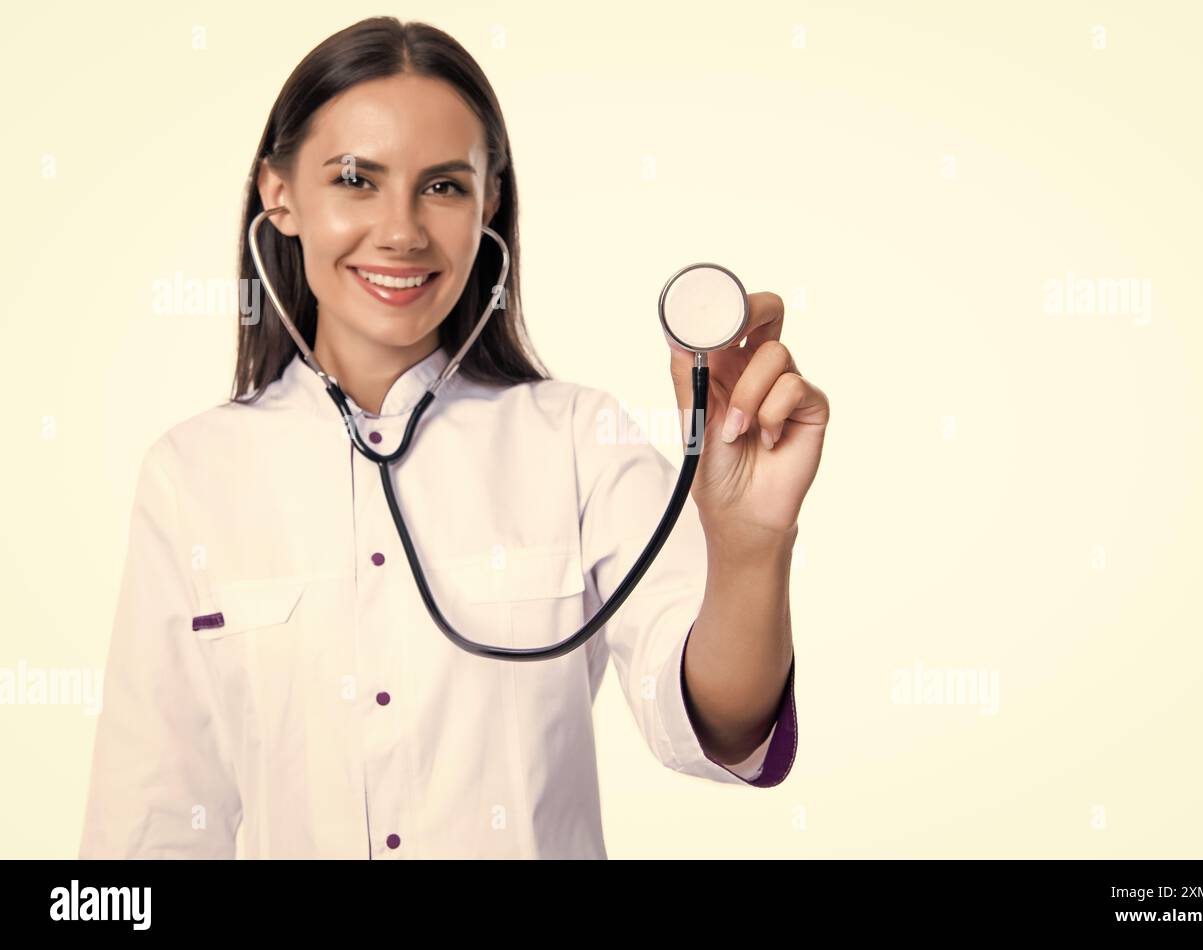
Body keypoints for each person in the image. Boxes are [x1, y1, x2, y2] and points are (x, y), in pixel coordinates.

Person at [78, 16, 830, 859]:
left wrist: (751, 545)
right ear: (278, 196)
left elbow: (718, 722)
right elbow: (150, 823)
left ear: (490, 204)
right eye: (356, 180)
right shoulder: (193, 475)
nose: (401, 231)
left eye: (442, 187)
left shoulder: (581, 441)